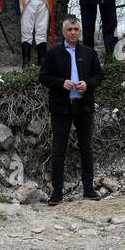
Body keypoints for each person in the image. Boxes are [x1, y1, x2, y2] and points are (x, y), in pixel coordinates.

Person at [38, 16, 103, 205]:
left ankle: (89, 189)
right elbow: (43, 77)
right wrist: (61, 83)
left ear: (80, 30)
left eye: (76, 29)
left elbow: (98, 75)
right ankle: (57, 192)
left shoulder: (90, 52)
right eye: (69, 29)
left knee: (87, 148)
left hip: (84, 105)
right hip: (61, 107)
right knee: (59, 149)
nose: (73, 32)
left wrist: (87, 84)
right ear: (63, 32)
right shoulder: (53, 53)